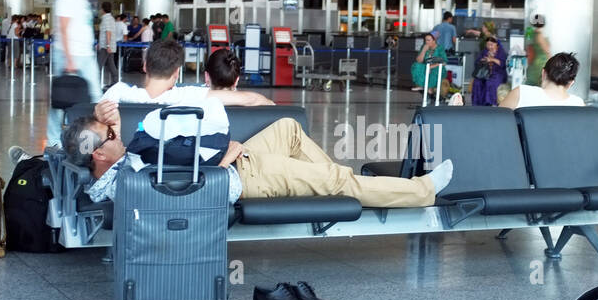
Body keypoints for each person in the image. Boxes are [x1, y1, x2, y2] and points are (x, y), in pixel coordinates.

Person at [68, 105, 454, 212]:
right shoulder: (126, 182)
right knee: (339, 182)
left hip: (240, 163)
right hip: (243, 177)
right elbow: (181, 195)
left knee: (287, 127)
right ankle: (422, 192)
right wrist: (223, 160)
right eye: (110, 135)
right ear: (99, 153)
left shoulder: (121, 167)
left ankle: (340, 183)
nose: (118, 133)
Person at [47, 0, 100, 147]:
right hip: (70, 55)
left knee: (94, 97)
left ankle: (88, 139)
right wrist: (69, 59)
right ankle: (53, 142)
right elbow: (63, 28)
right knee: (62, 100)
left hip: (85, 55)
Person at [500, 52, 586, 108]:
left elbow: (497, 123)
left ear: (543, 73)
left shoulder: (521, 93)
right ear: (570, 83)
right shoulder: (579, 104)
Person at [205, 47, 275, 106]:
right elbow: (270, 104)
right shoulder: (256, 101)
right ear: (236, 81)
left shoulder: (197, 97)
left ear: (207, 77)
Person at [471, 36, 506, 106]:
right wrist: (483, 60)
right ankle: (478, 103)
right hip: (485, 73)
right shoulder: (484, 51)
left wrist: (492, 59)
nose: (489, 47)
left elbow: (502, 63)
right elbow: (477, 62)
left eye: (491, 45)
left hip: (497, 72)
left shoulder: (501, 52)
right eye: (488, 45)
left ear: (496, 44)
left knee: (490, 82)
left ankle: (491, 103)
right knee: (477, 82)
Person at [523, 15, 552, 86]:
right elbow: (547, 51)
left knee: (532, 85)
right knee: (539, 86)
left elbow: (527, 46)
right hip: (541, 64)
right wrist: (553, 64)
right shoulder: (539, 35)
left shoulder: (529, 31)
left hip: (533, 63)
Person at [97, 2, 119, 88]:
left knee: (99, 65)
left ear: (103, 9)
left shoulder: (106, 19)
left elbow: (108, 32)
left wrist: (108, 45)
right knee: (111, 64)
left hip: (106, 46)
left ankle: (96, 85)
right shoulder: (111, 18)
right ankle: (115, 82)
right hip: (108, 45)